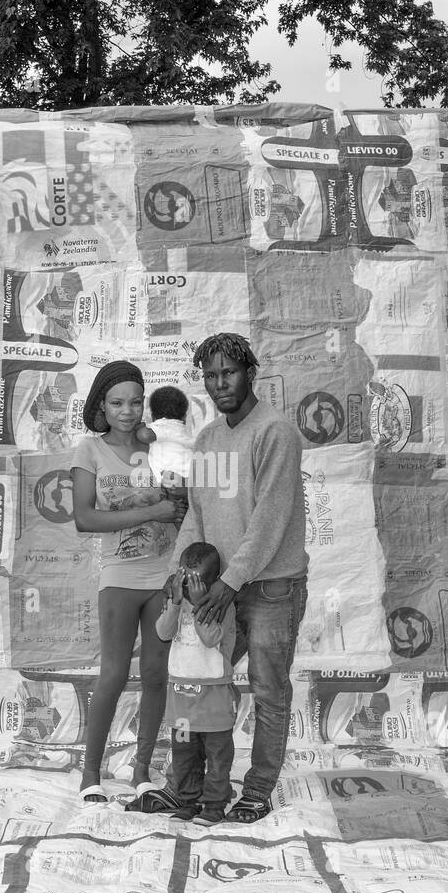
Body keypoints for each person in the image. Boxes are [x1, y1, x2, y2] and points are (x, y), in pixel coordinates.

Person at [141, 333, 309, 824]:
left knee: (268, 688)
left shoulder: (274, 432)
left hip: (269, 586)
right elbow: (196, 515)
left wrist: (230, 583)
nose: (220, 384)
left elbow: (269, 520)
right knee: (194, 680)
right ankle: (188, 788)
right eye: (211, 376)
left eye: (228, 373)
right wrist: (178, 574)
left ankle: (257, 790)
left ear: (250, 372)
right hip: (216, 590)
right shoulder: (209, 438)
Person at [71, 360, 187, 803]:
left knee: (156, 675)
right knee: (114, 675)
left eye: (136, 402)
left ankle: (141, 770)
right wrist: (150, 512)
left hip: (163, 576)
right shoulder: (89, 450)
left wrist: (177, 497)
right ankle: (90, 774)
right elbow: (84, 518)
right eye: (118, 402)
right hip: (119, 577)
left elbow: (182, 497)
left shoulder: (157, 447)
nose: (128, 411)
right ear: (102, 404)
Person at [153, 543, 239, 826]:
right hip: (181, 699)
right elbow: (163, 633)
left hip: (213, 698)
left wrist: (201, 602)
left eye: (197, 582)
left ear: (213, 581)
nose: (190, 588)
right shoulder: (176, 601)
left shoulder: (220, 606)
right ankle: (189, 801)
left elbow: (211, 638)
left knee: (217, 755)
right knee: (184, 755)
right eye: (185, 580)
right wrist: (176, 604)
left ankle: (214, 805)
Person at [134, 385, 194, 501]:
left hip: (167, 481)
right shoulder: (181, 430)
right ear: (184, 417)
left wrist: (139, 427)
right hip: (187, 480)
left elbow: (145, 435)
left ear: (153, 416)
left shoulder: (163, 426)